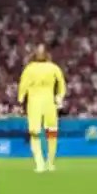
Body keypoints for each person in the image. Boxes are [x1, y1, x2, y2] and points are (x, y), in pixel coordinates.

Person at [18, 43, 66, 173]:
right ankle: (40, 163)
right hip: (39, 103)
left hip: (44, 103)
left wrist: (59, 97)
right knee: (36, 133)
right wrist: (21, 99)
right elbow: (23, 86)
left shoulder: (48, 68)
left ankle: (49, 162)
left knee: (51, 132)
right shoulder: (35, 68)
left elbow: (61, 85)